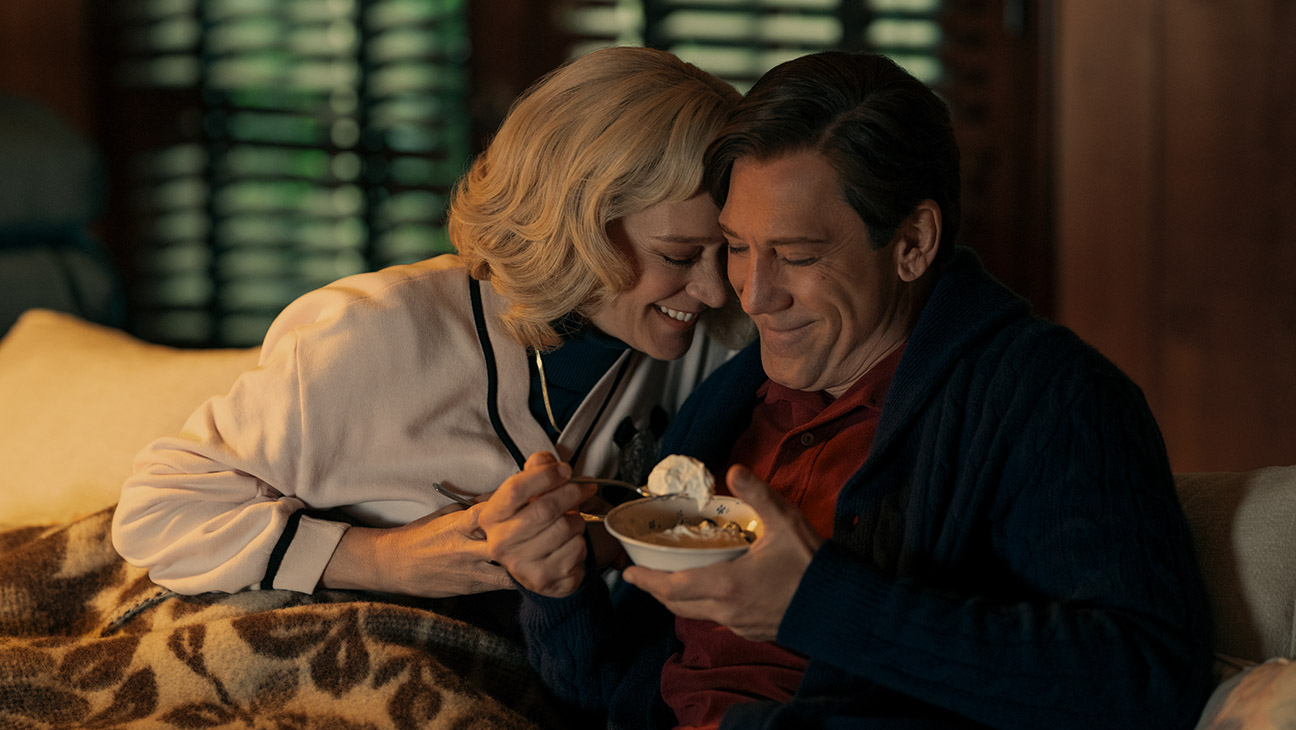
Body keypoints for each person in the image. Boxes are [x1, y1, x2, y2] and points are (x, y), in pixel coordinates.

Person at [481, 51, 1215, 729]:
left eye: (798, 255)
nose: (753, 294)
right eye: (738, 247)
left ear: (913, 243)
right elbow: (616, 695)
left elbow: (1147, 679)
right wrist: (558, 589)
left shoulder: (1048, 397)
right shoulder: (729, 400)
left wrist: (820, 603)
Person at [112, 46, 748, 612]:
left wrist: (599, 539)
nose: (717, 290)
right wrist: (385, 560)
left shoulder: (716, 344)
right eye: (678, 256)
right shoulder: (373, 333)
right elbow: (157, 512)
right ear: (575, 224)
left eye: (731, 250)